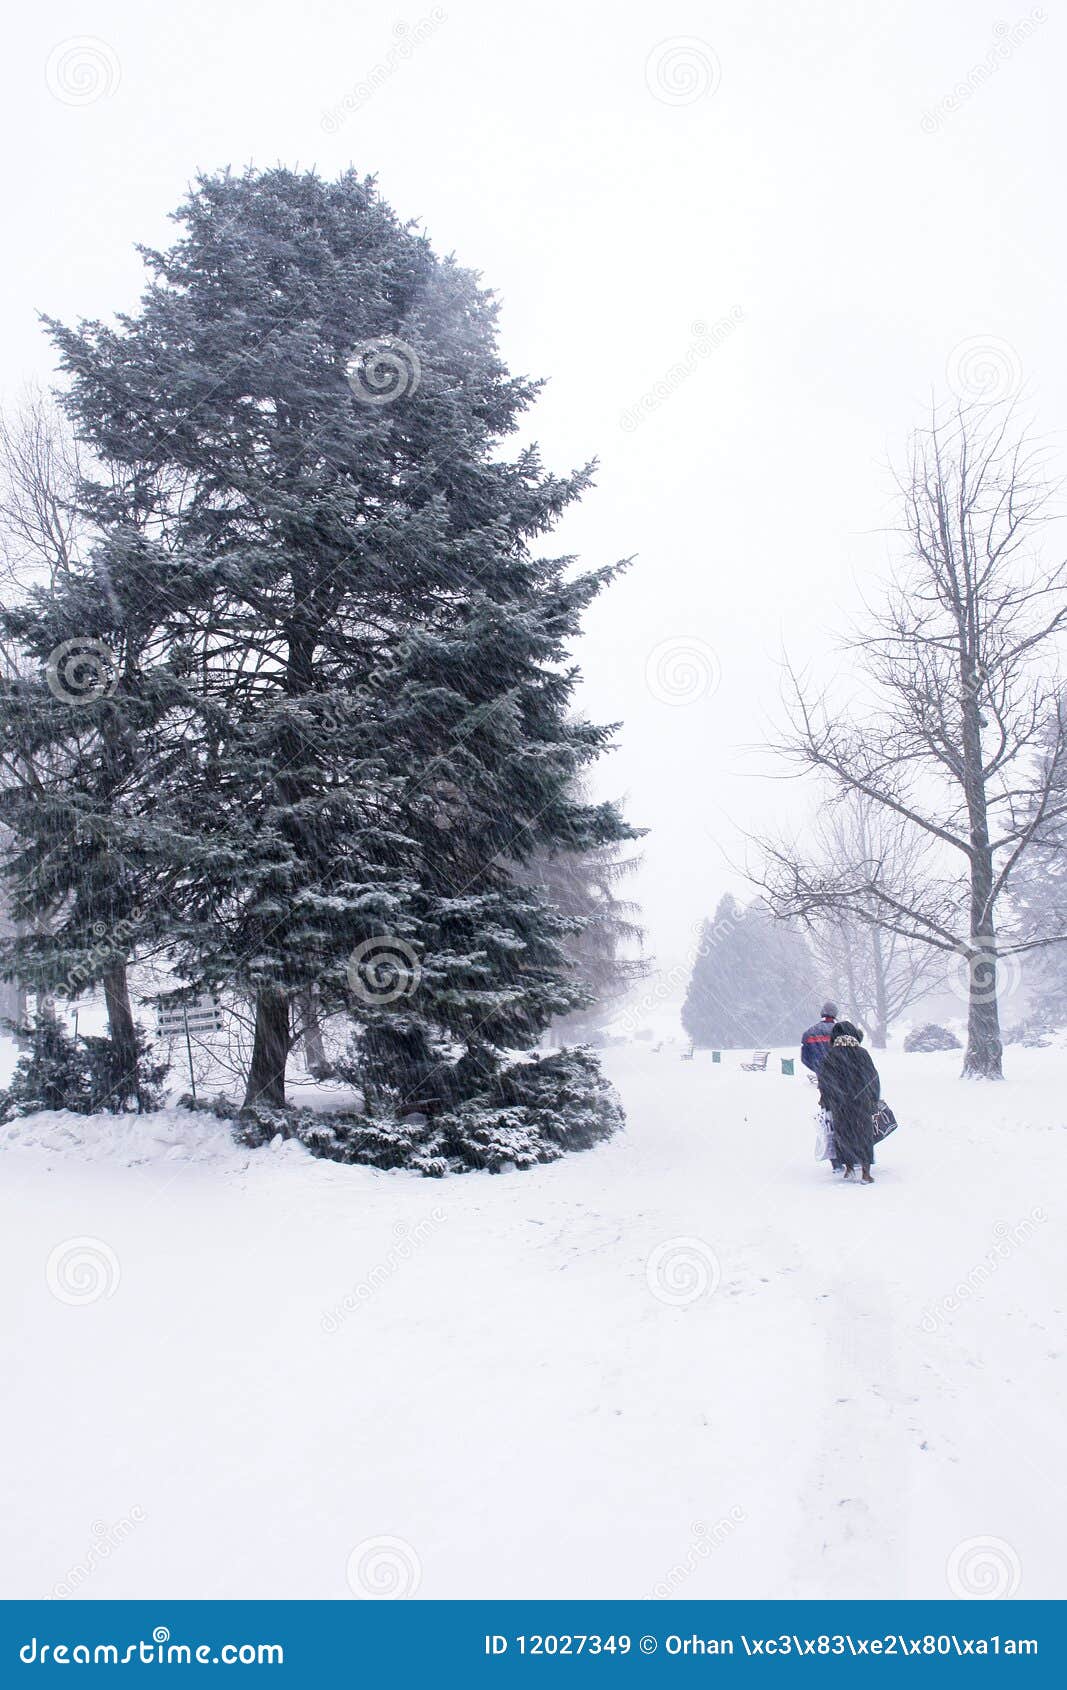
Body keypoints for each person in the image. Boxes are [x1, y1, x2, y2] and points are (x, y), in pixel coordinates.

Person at [817, 1020, 881, 1184]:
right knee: (864, 1135)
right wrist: (873, 1098)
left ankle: (849, 1168)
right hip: (862, 1102)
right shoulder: (862, 1053)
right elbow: (872, 1077)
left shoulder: (831, 1055)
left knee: (844, 1135)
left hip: (841, 1104)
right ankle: (866, 1172)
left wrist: (827, 1099)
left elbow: (825, 1081)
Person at [800, 1001, 838, 1077]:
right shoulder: (842, 1031)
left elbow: (804, 1058)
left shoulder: (809, 1033)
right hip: (839, 1077)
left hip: (822, 1076)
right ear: (835, 1013)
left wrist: (818, 1069)